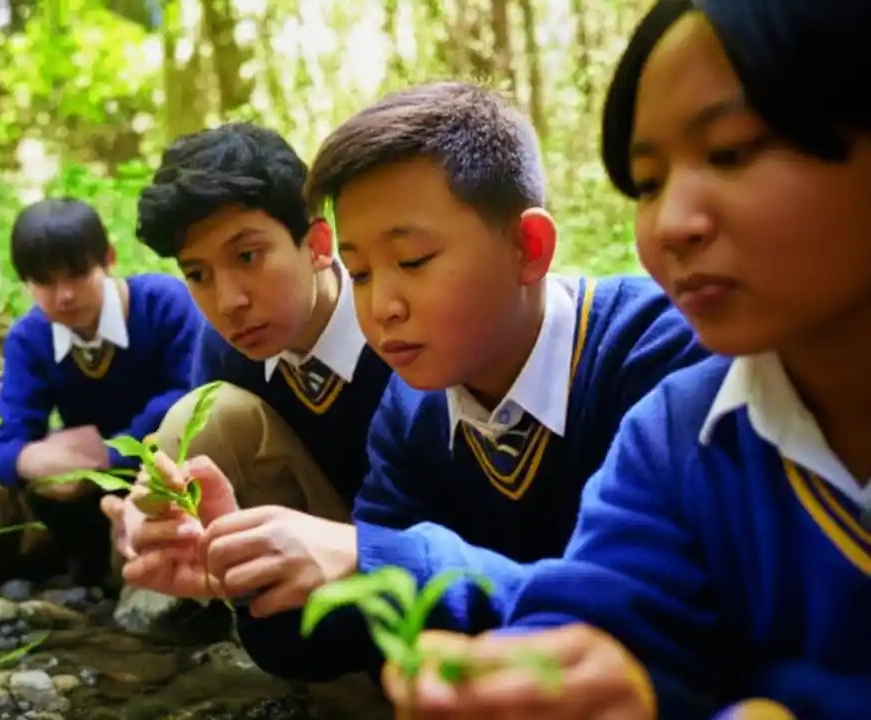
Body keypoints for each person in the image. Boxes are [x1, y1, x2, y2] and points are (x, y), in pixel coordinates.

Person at [116, 84, 708, 682]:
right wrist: (252, 571)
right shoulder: (413, 408)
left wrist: (372, 561)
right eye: (363, 273)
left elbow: (662, 620)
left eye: (414, 260)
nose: (382, 307)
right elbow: (363, 639)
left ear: (529, 248)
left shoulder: (658, 354)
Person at [380, 1, 871, 717]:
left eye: (731, 151)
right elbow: (609, 611)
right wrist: (557, 674)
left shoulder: (638, 356)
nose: (672, 223)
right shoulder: (680, 434)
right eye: (647, 184)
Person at [100, 122, 395, 678]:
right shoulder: (224, 351)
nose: (228, 300)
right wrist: (161, 516)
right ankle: (309, 656)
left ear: (318, 245)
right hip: (313, 595)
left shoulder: (400, 323)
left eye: (248, 256)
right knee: (202, 418)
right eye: (198, 274)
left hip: (436, 565)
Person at [0, 197, 202, 587]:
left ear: (108, 258)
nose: (64, 295)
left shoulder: (165, 304)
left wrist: (111, 452)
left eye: (77, 274)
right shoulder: (29, 339)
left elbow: (190, 394)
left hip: (176, 468)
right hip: (87, 491)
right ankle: (87, 573)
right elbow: (3, 443)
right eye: (45, 283)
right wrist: (34, 459)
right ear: (26, 282)